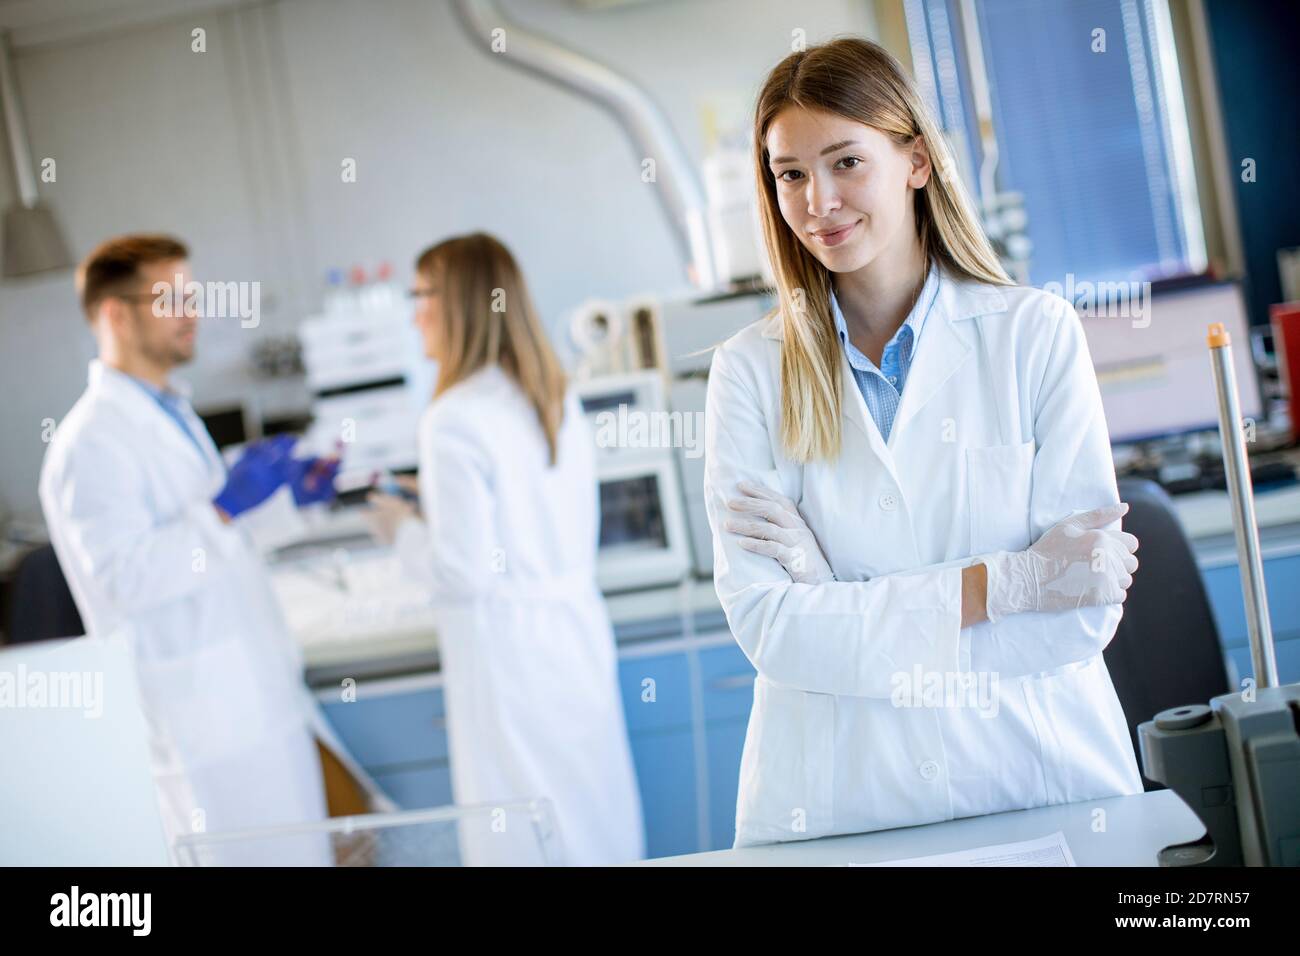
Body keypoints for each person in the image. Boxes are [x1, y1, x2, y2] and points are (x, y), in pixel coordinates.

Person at [704, 38, 1143, 849]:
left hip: (1034, 778)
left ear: (914, 161)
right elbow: (775, 632)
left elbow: (1077, 617)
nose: (817, 201)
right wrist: (1011, 581)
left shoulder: (1032, 335)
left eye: (845, 162)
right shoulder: (748, 374)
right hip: (844, 808)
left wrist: (835, 589)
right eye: (790, 173)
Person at [39, 234, 340, 864]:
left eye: (191, 295)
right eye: (170, 298)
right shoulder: (90, 441)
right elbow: (127, 578)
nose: (191, 312)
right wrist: (225, 507)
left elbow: (212, 546)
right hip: (202, 722)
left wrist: (287, 502)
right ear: (115, 314)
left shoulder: (172, 412)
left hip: (252, 697)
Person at [364, 232, 645, 866]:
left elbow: (462, 575)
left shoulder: (453, 416)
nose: (415, 315)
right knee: (591, 819)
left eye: (422, 296)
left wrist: (399, 531)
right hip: (572, 638)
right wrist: (435, 501)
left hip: (510, 658)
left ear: (460, 302)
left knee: (523, 835)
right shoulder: (553, 394)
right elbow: (529, 517)